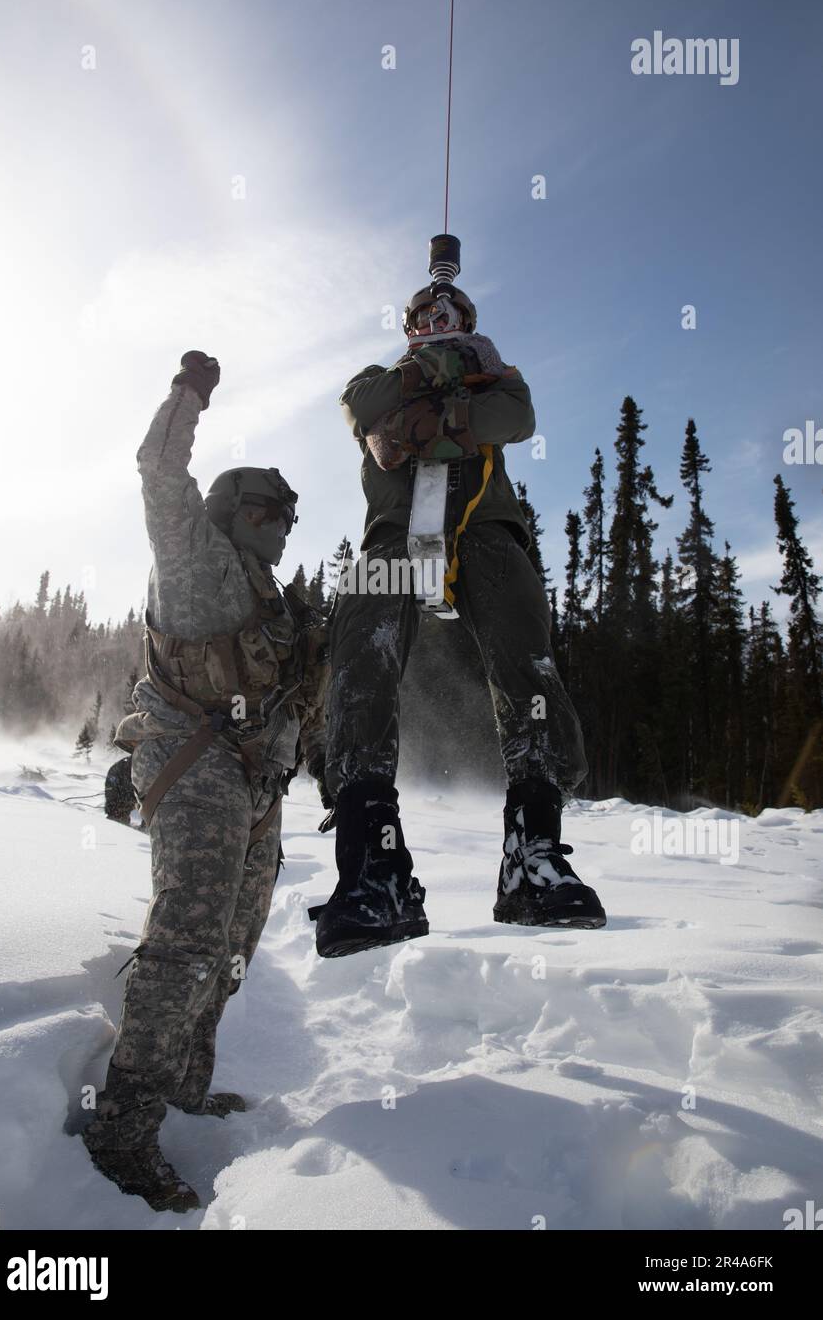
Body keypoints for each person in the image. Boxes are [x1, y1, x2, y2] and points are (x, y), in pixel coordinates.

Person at [83, 351, 328, 1212]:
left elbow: (298, 697)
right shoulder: (196, 559)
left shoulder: (277, 599)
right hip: (191, 763)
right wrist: (189, 394)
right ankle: (122, 1127)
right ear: (234, 512)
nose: (286, 526)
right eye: (271, 511)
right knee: (187, 944)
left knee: (230, 950)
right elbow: (158, 469)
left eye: (292, 517)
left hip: (257, 787)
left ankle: (186, 1081)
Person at [313, 279, 606, 959]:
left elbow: (516, 416)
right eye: (424, 315)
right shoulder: (379, 376)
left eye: (450, 315)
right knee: (363, 659)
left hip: (485, 532)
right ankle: (371, 869)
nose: (436, 319)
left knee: (526, 663)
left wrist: (440, 420)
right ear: (409, 325)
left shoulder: (495, 378)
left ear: (470, 321)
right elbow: (364, 406)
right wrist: (427, 380)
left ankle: (533, 859)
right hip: (394, 532)